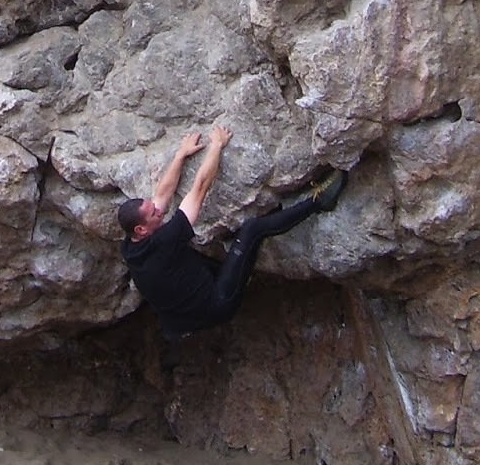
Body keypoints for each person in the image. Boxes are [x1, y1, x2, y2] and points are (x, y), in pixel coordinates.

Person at [117, 125, 345, 341]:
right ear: (141, 229)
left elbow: (162, 194)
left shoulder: (130, 246)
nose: (158, 210)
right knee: (251, 229)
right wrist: (216, 145)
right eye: (153, 213)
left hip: (184, 314)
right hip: (217, 304)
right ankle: (319, 202)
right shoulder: (163, 243)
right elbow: (200, 188)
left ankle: (238, 268)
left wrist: (180, 155)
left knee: (189, 254)